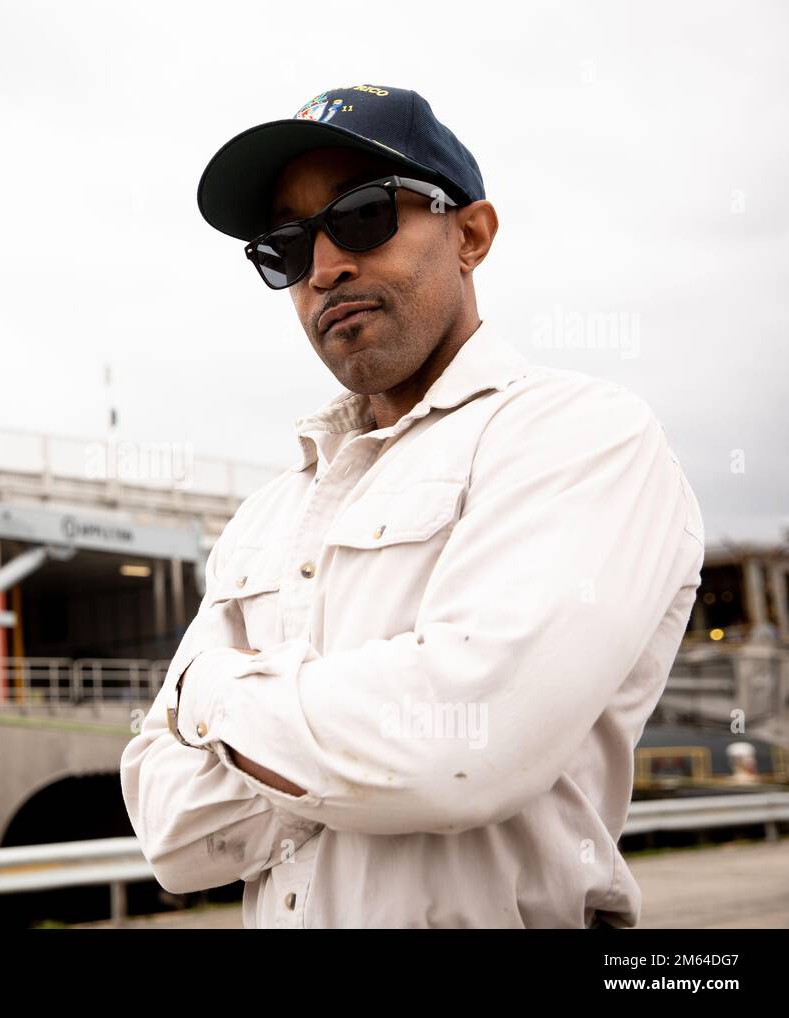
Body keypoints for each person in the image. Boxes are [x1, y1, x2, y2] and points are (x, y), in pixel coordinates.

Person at [119, 83, 706, 928]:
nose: (323, 268)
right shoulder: (265, 518)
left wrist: (207, 695)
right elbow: (171, 836)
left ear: (471, 235)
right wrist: (353, 756)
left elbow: (462, 752)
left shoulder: (581, 437)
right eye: (284, 248)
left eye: (361, 217)